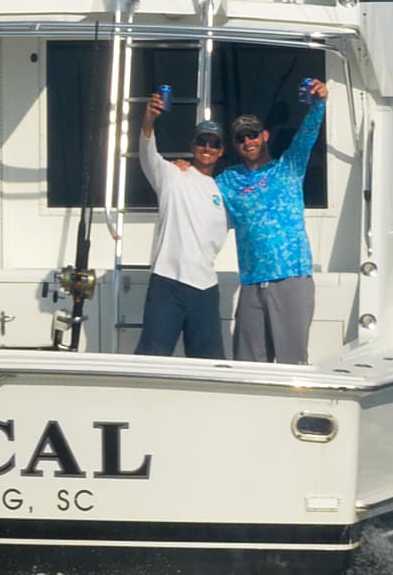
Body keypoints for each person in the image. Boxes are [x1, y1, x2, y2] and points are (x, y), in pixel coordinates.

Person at [215, 80, 329, 363]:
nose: (247, 142)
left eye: (252, 135)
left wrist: (319, 103)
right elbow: (198, 193)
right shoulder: (227, 179)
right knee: (247, 366)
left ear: (264, 136)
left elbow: (307, 135)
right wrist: (183, 169)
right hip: (252, 283)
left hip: (291, 276)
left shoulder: (289, 167)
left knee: (293, 364)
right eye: (241, 138)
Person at [134, 95, 229, 357]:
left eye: (214, 144)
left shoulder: (224, 192)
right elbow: (147, 152)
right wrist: (149, 118)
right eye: (202, 142)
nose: (207, 148)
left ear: (221, 151)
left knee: (210, 367)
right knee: (151, 360)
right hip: (168, 283)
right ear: (192, 146)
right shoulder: (172, 175)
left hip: (206, 290)